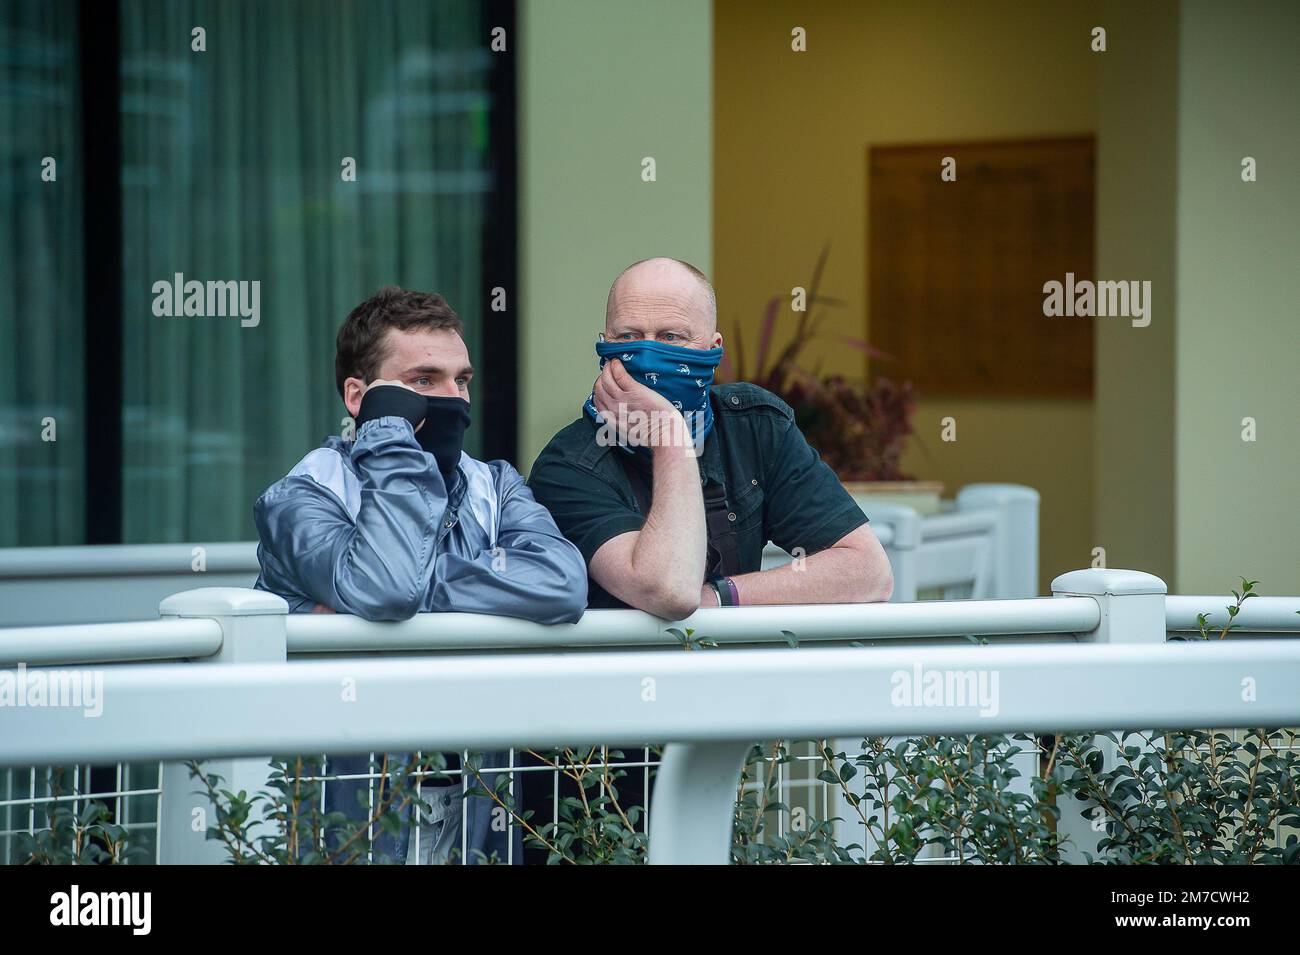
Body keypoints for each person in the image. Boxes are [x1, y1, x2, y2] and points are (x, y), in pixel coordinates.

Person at [523, 258, 893, 856]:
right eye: (627, 337)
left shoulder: (755, 427)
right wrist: (671, 439)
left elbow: (867, 572)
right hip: (593, 772)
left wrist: (726, 598)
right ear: (603, 343)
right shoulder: (568, 466)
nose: (646, 354)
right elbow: (668, 590)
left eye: (671, 338)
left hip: (713, 746)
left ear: (712, 347)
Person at [253, 286, 587, 864]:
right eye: (424, 381)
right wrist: (386, 437)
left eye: (462, 379)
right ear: (358, 396)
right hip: (347, 802)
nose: (453, 397)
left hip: (475, 793)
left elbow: (562, 584)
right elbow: (385, 587)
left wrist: (416, 586)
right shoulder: (299, 498)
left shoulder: (497, 484)